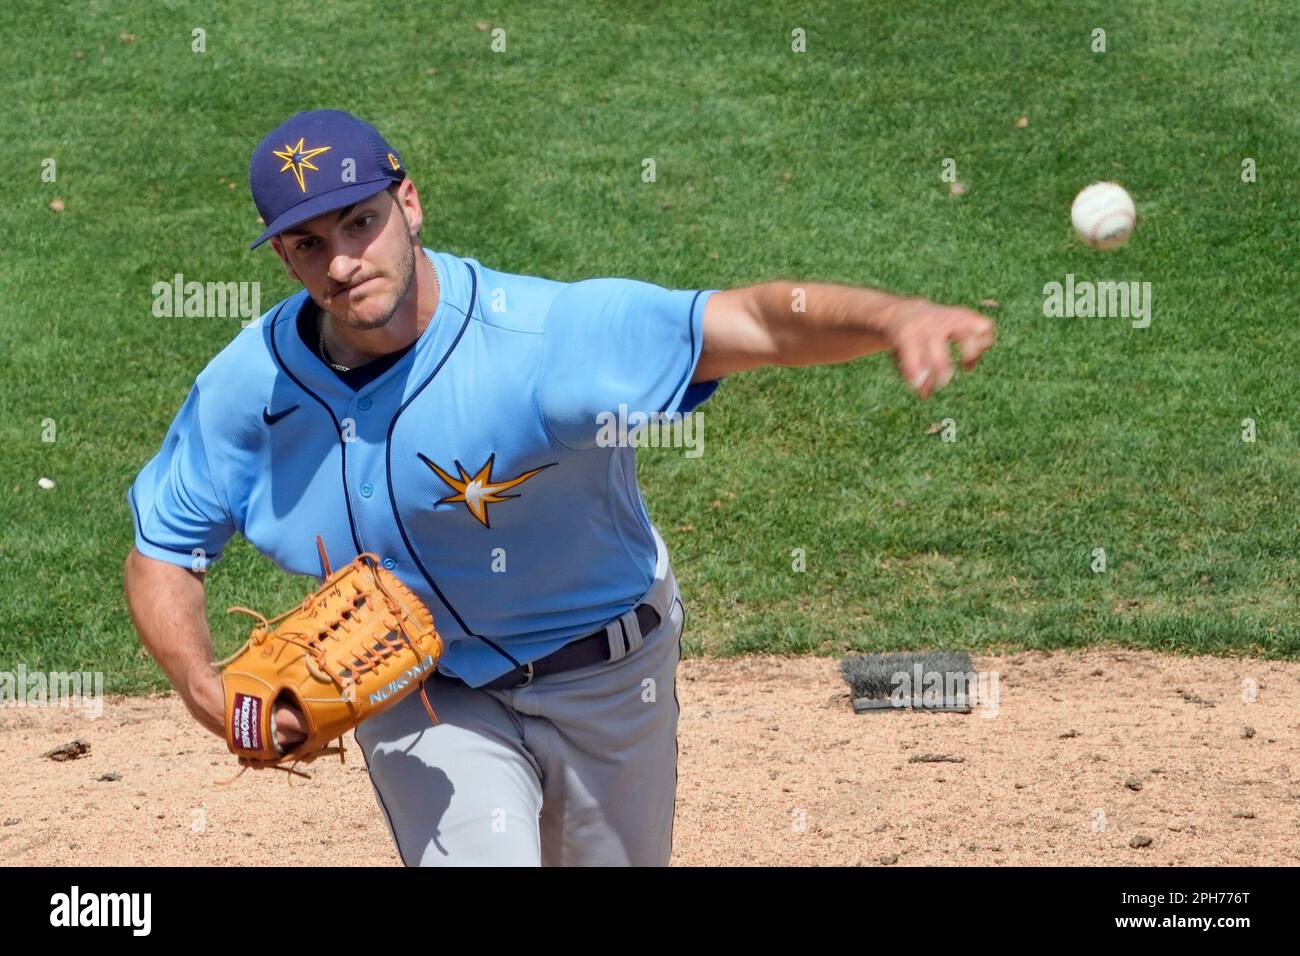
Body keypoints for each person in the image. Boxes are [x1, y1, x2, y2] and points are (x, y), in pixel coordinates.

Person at [124, 109, 994, 866]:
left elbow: (753, 320)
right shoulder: (252, 386)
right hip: (425, 693)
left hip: (605, 677)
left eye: (360, 223)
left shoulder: (542, 339)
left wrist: (892, 318)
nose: (343, 262)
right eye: (309, 243)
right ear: (283, 253)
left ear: (409, 204)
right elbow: (166, 546)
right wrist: (207, 692)